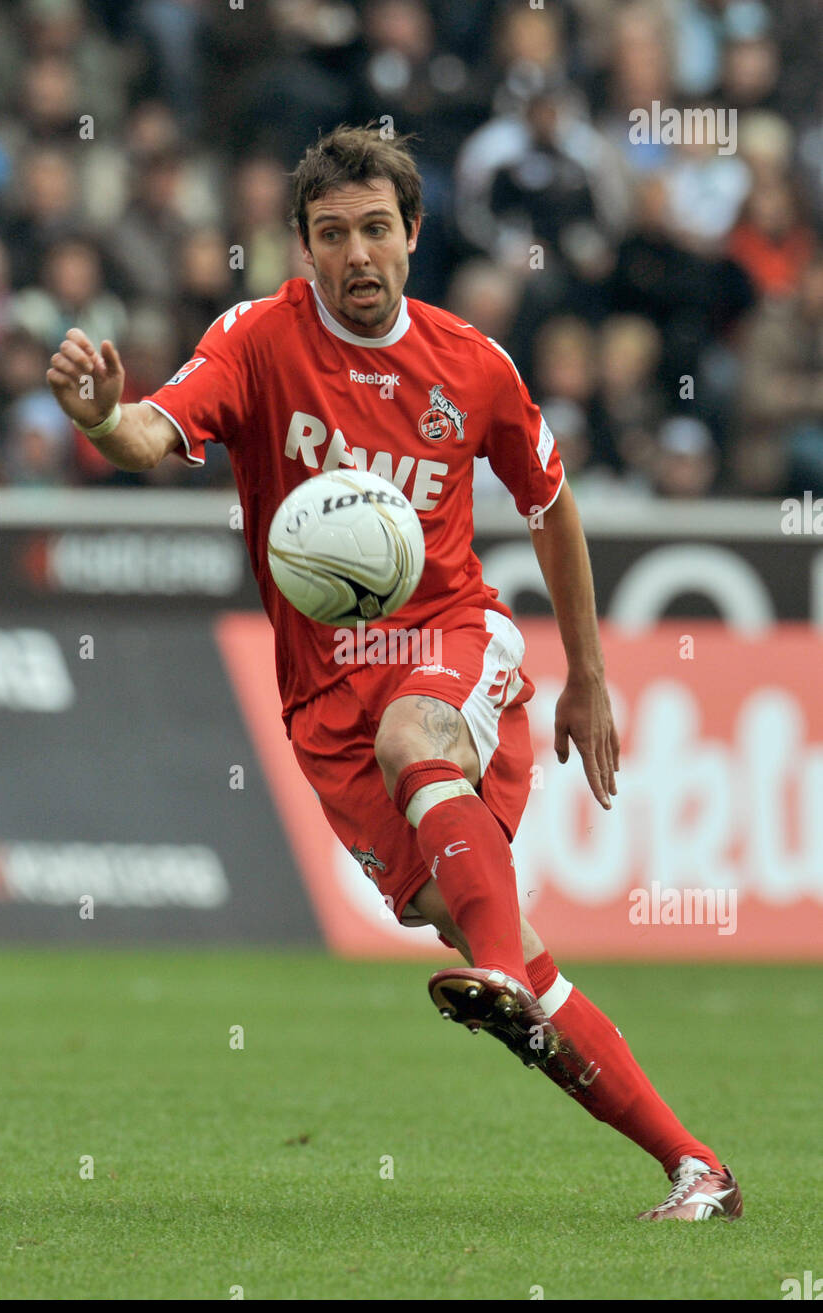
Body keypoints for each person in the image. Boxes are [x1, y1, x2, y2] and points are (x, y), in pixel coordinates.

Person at [46, 124, 742, 1222]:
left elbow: (549, 502)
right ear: (302, 245)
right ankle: (694, 1165)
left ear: (413, 235)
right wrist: (96, 414)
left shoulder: (472, 363)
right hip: (323, 699)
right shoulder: (257, 341)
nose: (356, 254)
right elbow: (147, 432)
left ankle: (503, 975)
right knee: (486, 942)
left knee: (417, 746)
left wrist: (589, 676)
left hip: (453, 643)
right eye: (332, 235)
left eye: (376, 229)